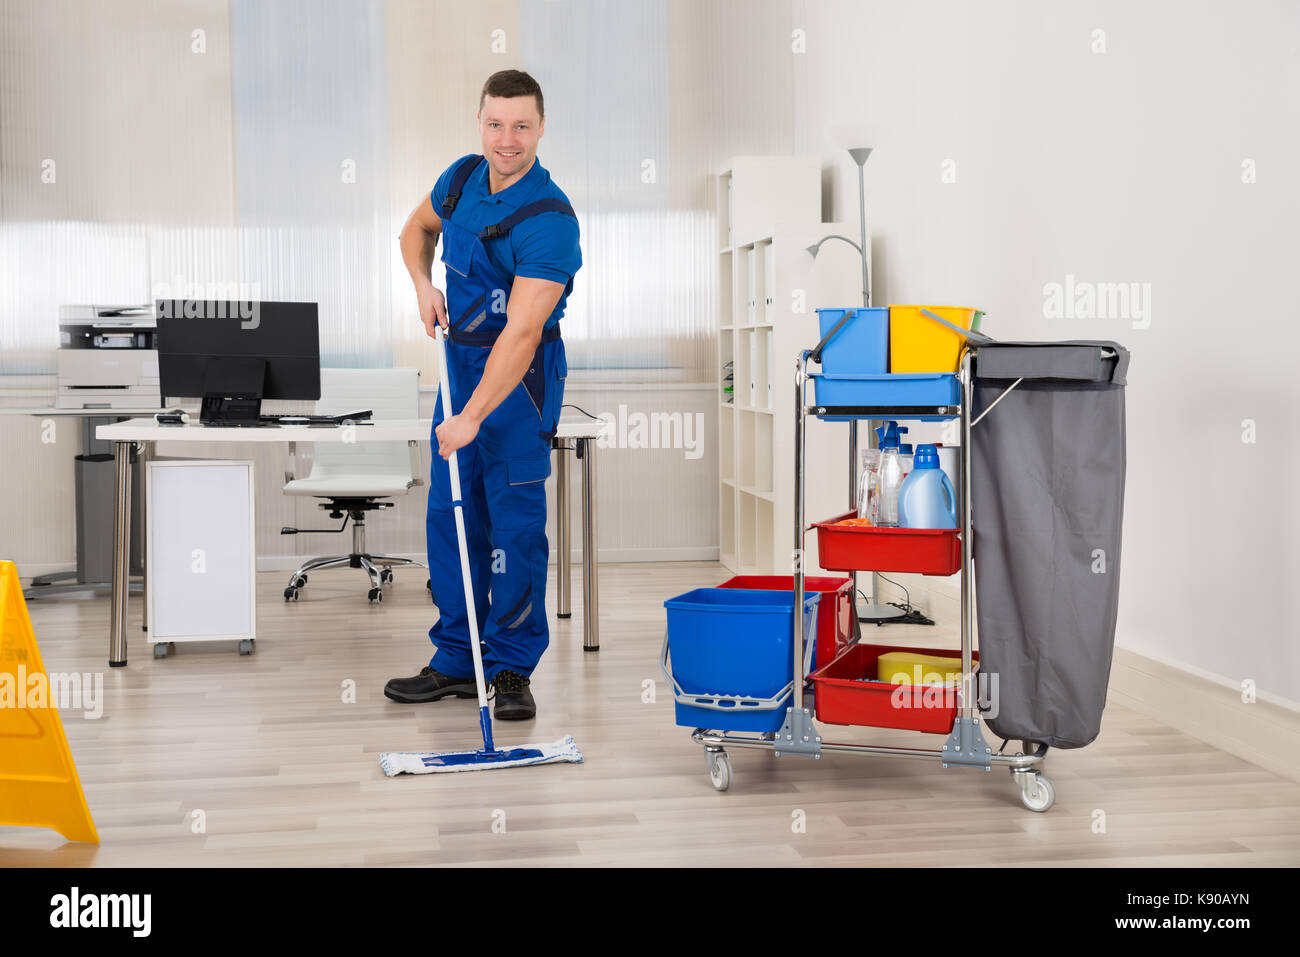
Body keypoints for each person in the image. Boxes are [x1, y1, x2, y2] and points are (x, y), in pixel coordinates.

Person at [385, 70, 581, 720]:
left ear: (542, 128)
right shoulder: (463, 179)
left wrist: (471, 415)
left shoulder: (550, 220)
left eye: (521, 125)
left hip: (517, 385)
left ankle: (509, 668)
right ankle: (456, 659)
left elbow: (523, 331)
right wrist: (422, 286)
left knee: (514, 523)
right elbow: (415, 230)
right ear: (480, 122)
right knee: (451, 514)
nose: (507, 139)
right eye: (496, 123)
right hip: (458, 367)